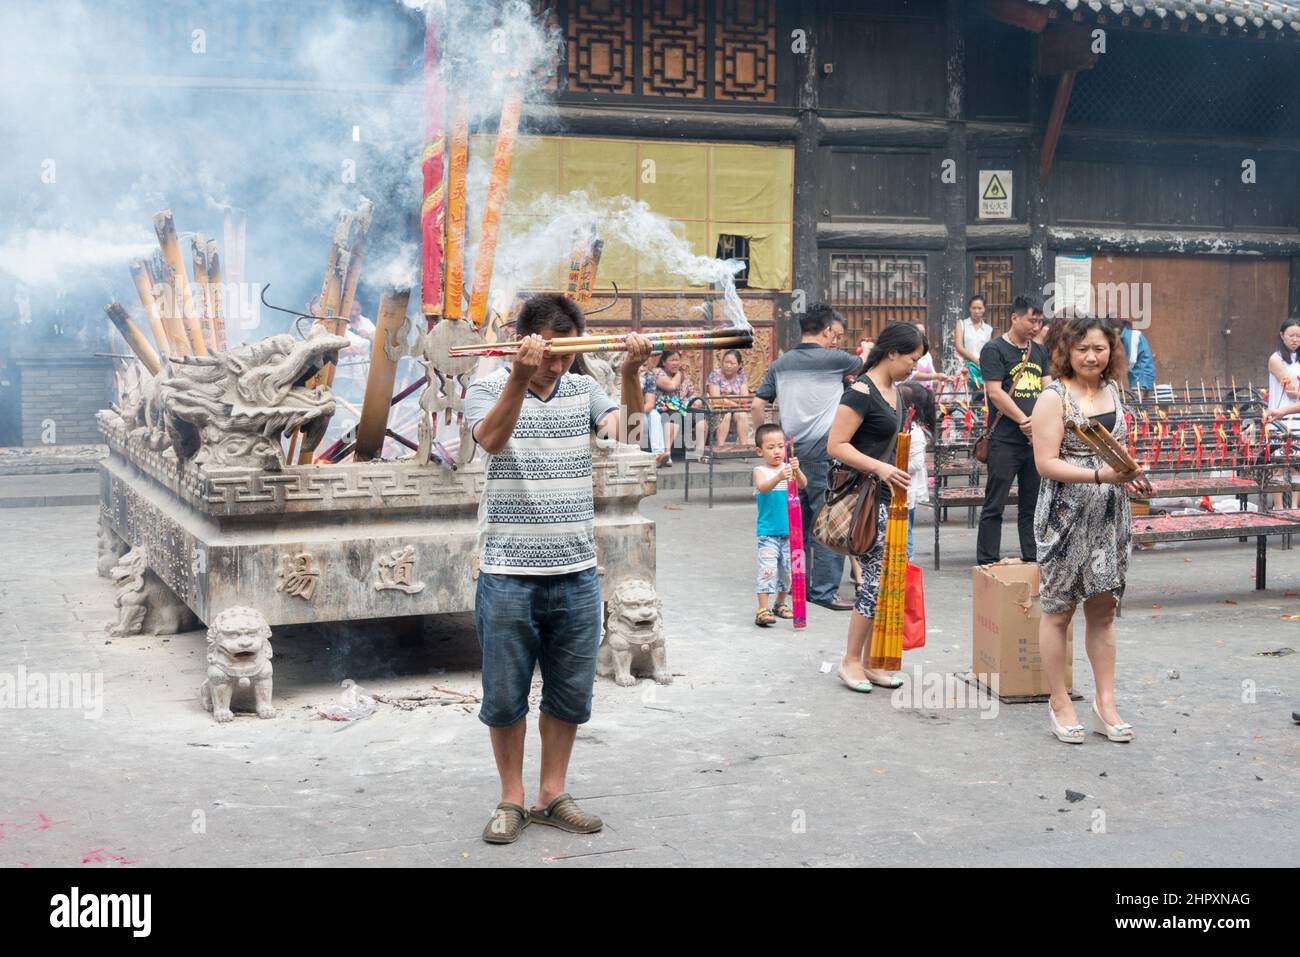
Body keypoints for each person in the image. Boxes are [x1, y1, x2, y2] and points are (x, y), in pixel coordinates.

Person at [463, 293, 653, 844]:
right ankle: (510, 799)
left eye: (566, 353)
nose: (558, 364)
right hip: (506, 570)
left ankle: (551, 793)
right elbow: (491, 440)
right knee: (504, 694)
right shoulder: (488, 384)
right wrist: (518, 380)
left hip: (575, 568)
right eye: (549, 353)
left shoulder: (584, 388)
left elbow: (632, 436)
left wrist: (630, 374)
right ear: (526, 342)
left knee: (569, 692)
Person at [1030, 315, 1147, 744]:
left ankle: (1105, 703)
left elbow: (1118, 449)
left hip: (1110, 516)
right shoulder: (1053, 397)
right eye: (1083, 349)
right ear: (1066, 352)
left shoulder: (1115, 391)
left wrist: (1131, 471)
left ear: (1111, 352)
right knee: (1059, 611)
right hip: (1065, 516)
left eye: (1100, 348)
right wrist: (1099, 476)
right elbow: (1045, 463)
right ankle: (1060, 701)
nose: (1092, 356)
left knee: (1104, 610)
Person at [826, 322, 926, 691]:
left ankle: (870, 661)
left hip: (887, 499)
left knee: (884, 582)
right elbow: (836, 445)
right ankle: (850, 661)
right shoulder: (860, 391)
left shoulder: (894, 391)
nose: (914, 366)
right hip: (863, 498)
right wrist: (881, 467)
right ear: (892, 352)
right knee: (873, 582)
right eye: (912, 359)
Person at [752, 304, 863, 611]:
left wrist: (763, 440)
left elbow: (757, 405)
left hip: (789, 455)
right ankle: (824, 591)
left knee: (797, 526)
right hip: (825, 454)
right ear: (827, 330)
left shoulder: (781, 363)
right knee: (828, 522)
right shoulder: (837, 359)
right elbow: (868, 362)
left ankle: (799, 584)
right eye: (833, 333)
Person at [976, 297, 1050, 565]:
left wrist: (1040, 422)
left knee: (1032, 505)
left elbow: (1048, 389)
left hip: (1035, 443)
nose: (1036, 326)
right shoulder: (994, 350)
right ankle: (987, 561)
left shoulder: (1039, 352)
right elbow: (995, 392)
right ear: (1015, 317)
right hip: (1005, 441)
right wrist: (1023, 420)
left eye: (1040, 321)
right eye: (1032, 320)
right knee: (994, 504)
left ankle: (1032, 559)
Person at [752, 423, 807, 627]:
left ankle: (781, 603)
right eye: (770, 447)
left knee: (788, 570)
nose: (777, 451)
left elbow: (803, 484)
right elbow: (763, 488)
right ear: (760, 450)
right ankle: (762, 609)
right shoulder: (760, 471)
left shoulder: (788, 469)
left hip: (791, 531)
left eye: (780, 446)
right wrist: (779, 476)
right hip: (768, 533)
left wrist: (796, 470)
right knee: (768, 570)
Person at [898, 381, 935, 561]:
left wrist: (892, 467)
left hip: (906, 489)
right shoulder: (902, 427)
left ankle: (906, 566)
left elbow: (917, 463)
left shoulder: (915, 433)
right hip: (898, 487)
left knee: (905, 531)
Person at [653, 350, 705, 467]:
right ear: (663, 362)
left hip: (682, 409)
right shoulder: (658, 373)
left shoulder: (683, 376)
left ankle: (699, 454)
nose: (675, 363)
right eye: (672, 360)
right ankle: (667, 454)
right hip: (663, 409)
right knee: (673, 416)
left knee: (700, 417)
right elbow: (671, 386)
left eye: (677, 360)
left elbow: (692, 393)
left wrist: (696, 401)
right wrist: (679, 375)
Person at [707, 349, 752, 447]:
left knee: (742, 415)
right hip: (718, 409)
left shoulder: (741, 376)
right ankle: (720, 446)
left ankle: (743, 447)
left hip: (735, 409)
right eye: (726, 362)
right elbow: (716, 400)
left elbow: (744, 398)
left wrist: (726, 397)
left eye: (732, 363)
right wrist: (735, 402)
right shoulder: (715, 374)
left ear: (739, 365)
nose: (728, 365)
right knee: (725, 414)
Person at [955, 294, 993, 406]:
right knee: (963, 400)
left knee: (980, 402)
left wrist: (982, 363)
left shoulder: (988, 329)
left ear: (984, 309)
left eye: (980, 308)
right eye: (974, 308)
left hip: (981, 370)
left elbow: (988, 350)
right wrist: (975, 360)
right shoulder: (962, 324)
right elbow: (959, 347)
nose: (977, 311)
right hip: (965, 368)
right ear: (969, 309)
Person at [1266, 318, 1300, 432]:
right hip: (1281, 416)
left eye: (1298, 336)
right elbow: (1291, 392)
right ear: (1282, 335)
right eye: (1291, 335)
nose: (1295, 339)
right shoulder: (1276, 359)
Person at [907, 321, 955, 392]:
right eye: (918, 332)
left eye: (923, 332)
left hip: (927, 393)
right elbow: (911, 375)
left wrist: (945, 378)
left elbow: (933, 374)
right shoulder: (907, 352)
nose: (921, 335)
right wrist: (936, 376)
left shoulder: (926, 354)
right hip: (911, 393)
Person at [1118, 319, 1155, 391]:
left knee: (1137, 400)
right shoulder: (1128, 335)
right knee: (1141, 401)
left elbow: (1132, 359)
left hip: (1141, 375)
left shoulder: (1131, 335)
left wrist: (1125, 369)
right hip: (1143, 373)